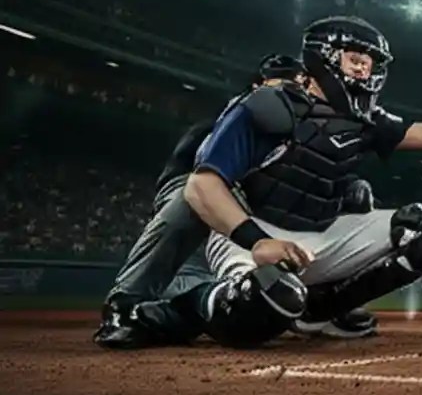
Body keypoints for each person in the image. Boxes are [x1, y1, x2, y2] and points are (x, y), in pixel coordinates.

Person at [173, 15, 422, 348]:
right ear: (325, 57)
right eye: (356, 58)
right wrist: (257, 241)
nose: (366, 70)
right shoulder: (265, 105)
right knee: (250, 317)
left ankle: (322, 311)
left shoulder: (364, 118)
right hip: (251, 235)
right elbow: (201, 186)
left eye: (371, 62)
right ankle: (176, 309)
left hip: (319, 237)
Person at [93, 55, 381, 348]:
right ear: (257, 89)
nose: (296, 92)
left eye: (302, 85)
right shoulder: (219, 129)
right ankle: (127, 303)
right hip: (199, 246)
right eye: (285, 84)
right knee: (196, 203)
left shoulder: (305, 142)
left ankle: (321, 302)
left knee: (353, 191)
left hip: (248, 243)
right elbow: (190, 192)